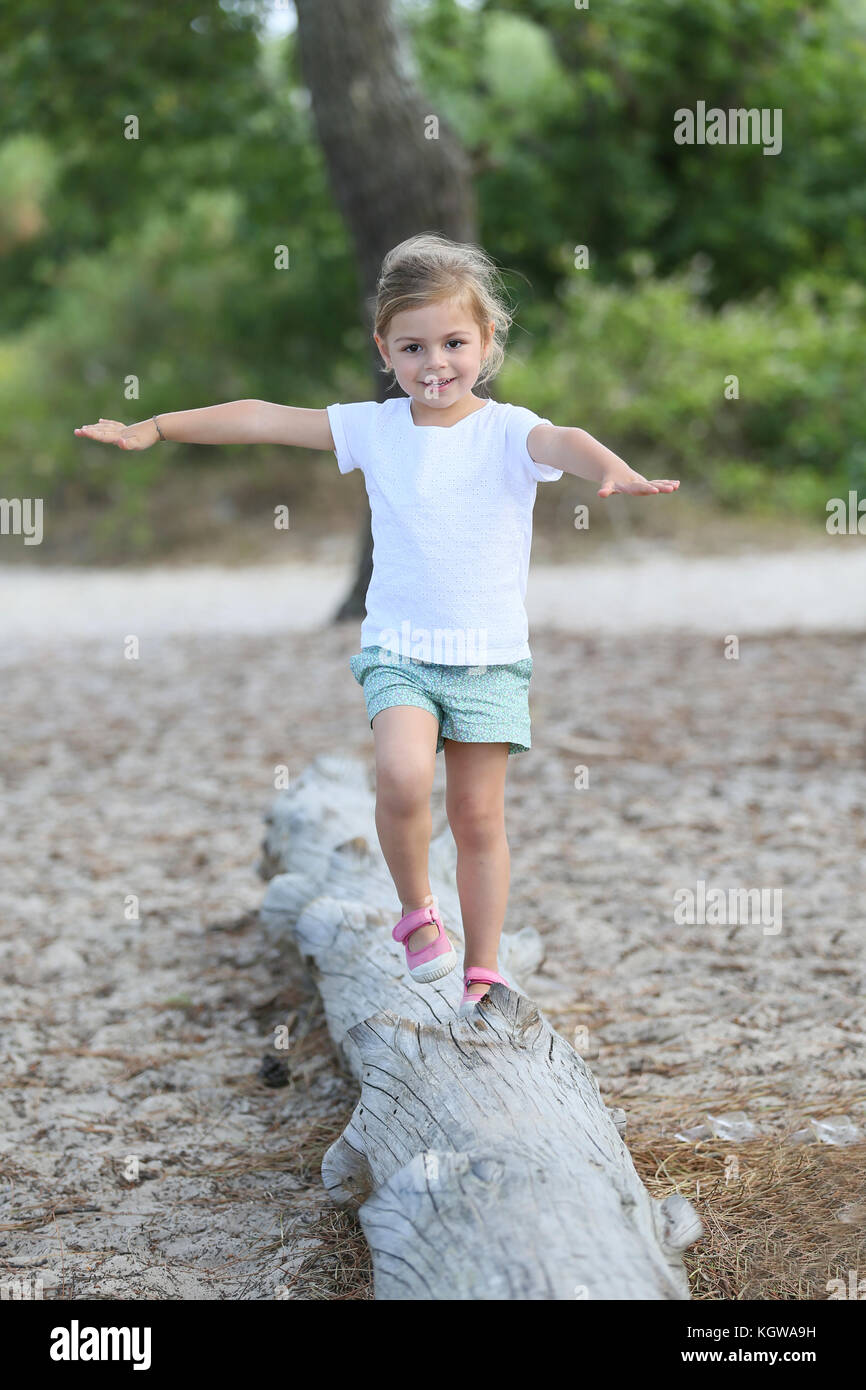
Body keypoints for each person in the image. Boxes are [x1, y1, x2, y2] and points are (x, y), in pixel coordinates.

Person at [75, 231, 679, 1016]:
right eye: (414, 346)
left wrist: (612, 469)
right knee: (398, 778)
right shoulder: (376, 427)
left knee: (477, 816)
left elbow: (562, 441)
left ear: (488, 341)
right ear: (385, 351)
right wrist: (155, 425)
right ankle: (419, 914)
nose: (436, 363)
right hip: (400, 649)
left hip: (490, 658)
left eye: (454, 342)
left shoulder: (507, 431)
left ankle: (485, 970)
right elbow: (262, 418)